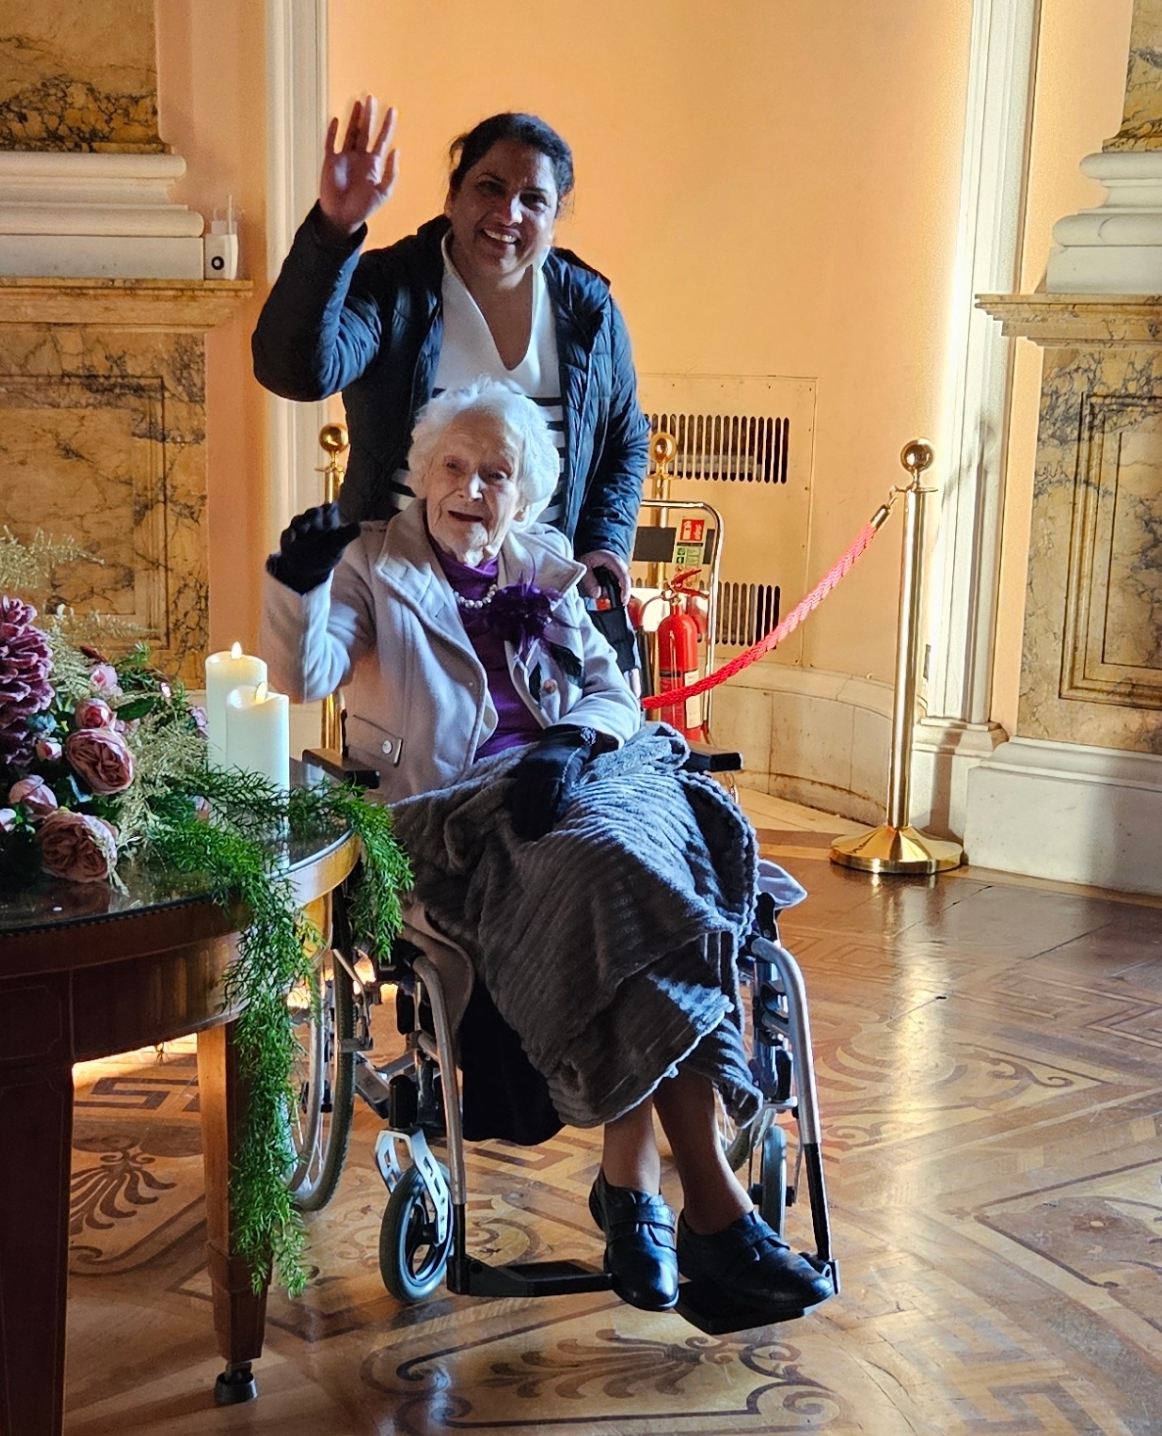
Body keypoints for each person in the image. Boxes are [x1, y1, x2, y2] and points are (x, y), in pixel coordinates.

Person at [262, 379, 832, 1316]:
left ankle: (642, 1188)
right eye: (454, 465)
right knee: (629, 881)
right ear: (421, 472)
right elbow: (304, 671)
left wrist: (571, 742)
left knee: (638, 860)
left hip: (589, 786)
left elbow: (611, 692)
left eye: (498, 473)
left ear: (522, 496)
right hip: (459, 818)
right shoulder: (374, 562)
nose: (473, 487)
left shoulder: (546, 563)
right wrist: (301, 582)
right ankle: (694, 1209)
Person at [253, 98, 646, 596]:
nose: (509, 213)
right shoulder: (393, 287)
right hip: (395, 593)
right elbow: (294, 371)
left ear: (554, 217)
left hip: (534, 602)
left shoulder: (590, 311)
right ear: (453, 195)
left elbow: (623, 441)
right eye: (490, 187)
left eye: (533, 200)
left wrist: (603, 542)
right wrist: (334, 229)